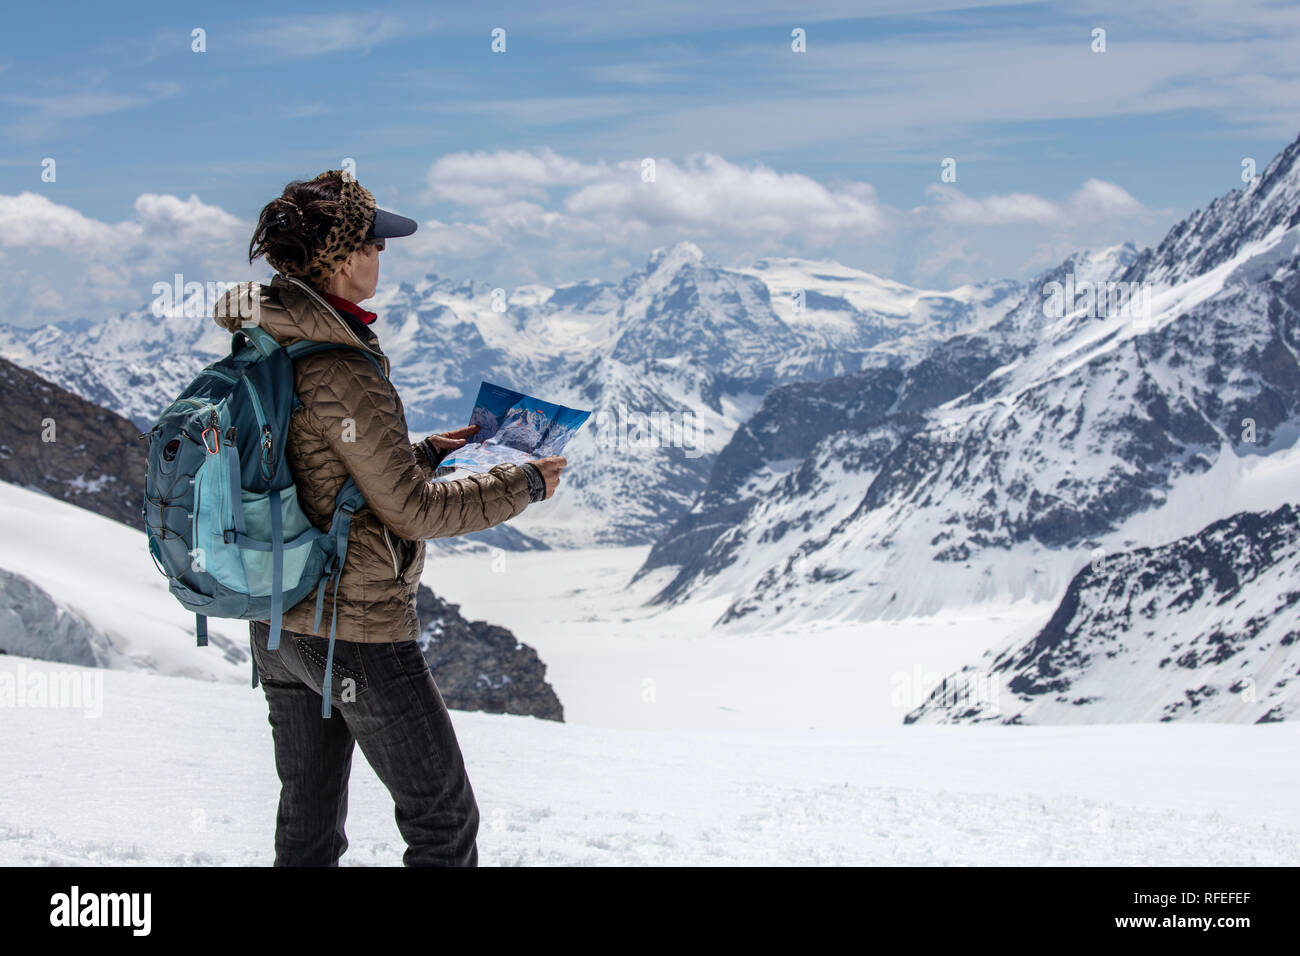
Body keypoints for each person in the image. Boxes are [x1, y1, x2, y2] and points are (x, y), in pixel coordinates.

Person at [219, 169, 566, 866]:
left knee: (308, 827)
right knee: (442, 823)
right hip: (354, 628)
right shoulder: (342, 365)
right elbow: (407, 512)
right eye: (375, 245)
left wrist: (426, 451)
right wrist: (523, 481)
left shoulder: (268, 338)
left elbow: (317, 466)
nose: (383, 258)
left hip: (277, 617)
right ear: (341, 258)